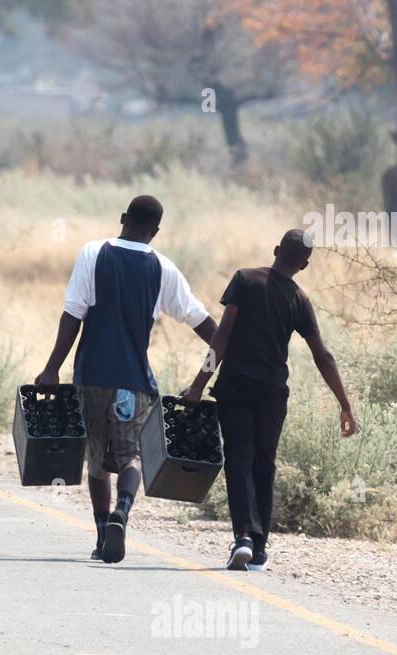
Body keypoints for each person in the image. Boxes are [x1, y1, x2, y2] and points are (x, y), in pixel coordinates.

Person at [36, 195, 216, 563]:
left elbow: (73, 315)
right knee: (130, 456)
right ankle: (123, 509)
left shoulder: (92, 252)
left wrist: (52, 367)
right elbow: (202, 322)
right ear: (156, 232)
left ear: (122, 218)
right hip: (133, 382)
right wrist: (222, 356)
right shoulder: (163, 268)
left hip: (90, 376)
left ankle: (103, 533)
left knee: (97, 461)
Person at [179, 229, 357, 571]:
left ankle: (243, 537)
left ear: (276, 249)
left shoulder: (245, 279)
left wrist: (199, 384)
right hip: (274, 392)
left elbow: (222, 337)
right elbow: (323, 356)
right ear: (304, 265)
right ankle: (259, 550)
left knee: (239, 459)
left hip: (236, 386)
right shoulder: (300, 300)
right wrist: (345, 405)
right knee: (264, 463)